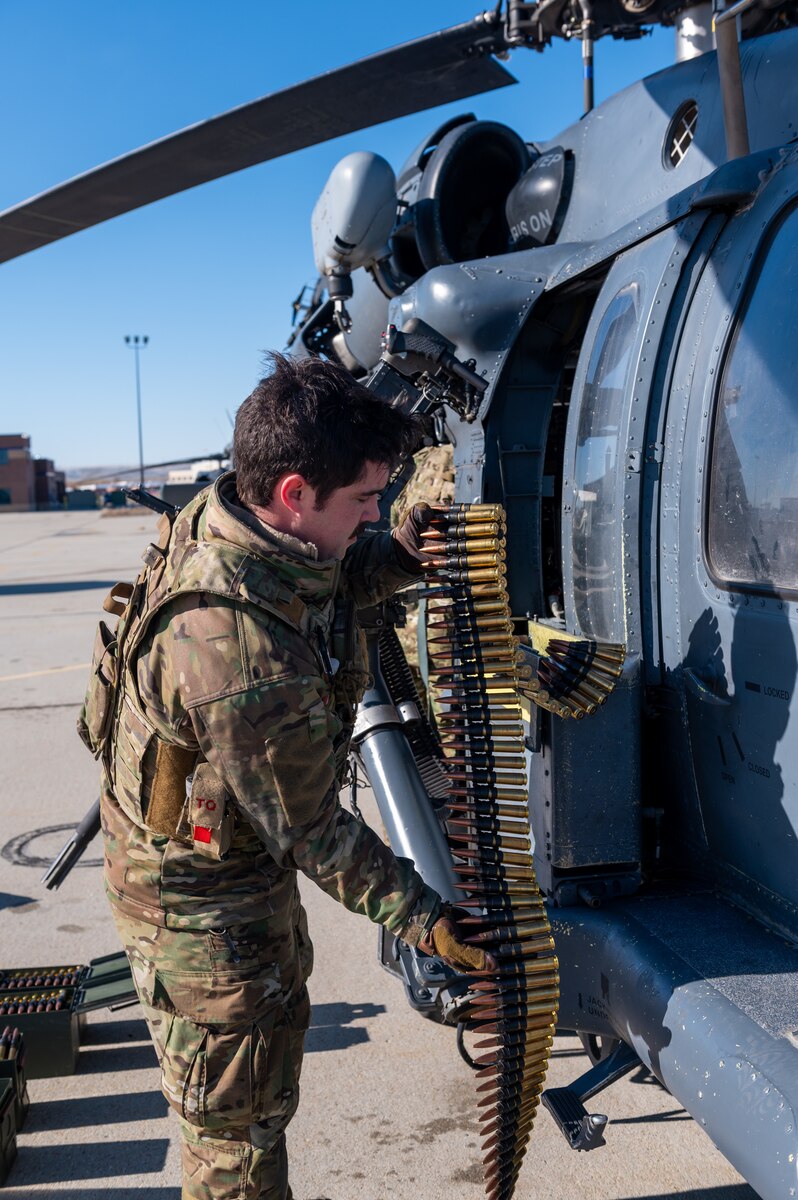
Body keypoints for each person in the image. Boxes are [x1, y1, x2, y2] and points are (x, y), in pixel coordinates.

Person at [79, 353, 491, 1200]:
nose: (376, 512)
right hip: (203, 913)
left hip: (224, 862)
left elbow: (328, 570)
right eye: (365, 502)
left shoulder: (234, 513)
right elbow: (314, 832)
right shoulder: (236, 650)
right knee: (236, 1140)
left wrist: (399, 554)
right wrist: (431, 922)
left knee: (256, 1093)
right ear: (295, 491)